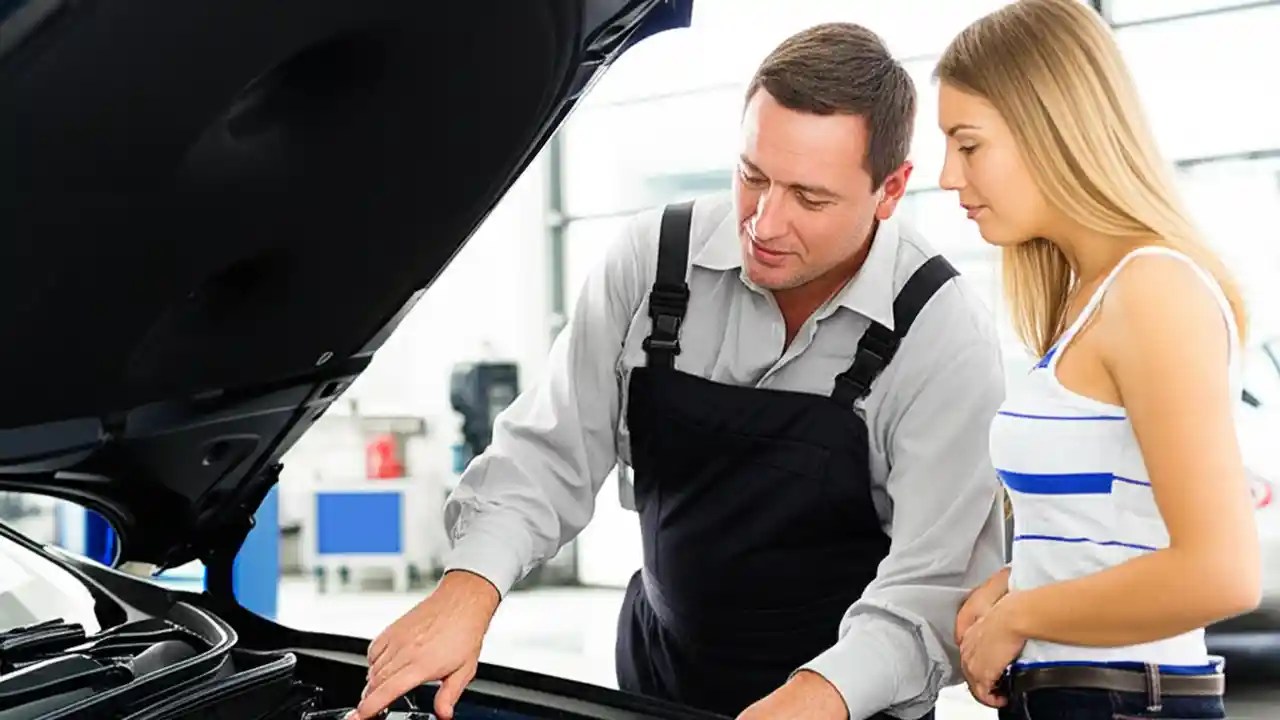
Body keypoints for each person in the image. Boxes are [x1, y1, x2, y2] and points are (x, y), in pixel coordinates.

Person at [349, 23, 1008, 720]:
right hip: (658, 682)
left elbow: (933, 587)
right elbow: (549, 455)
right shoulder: (652, 263)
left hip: (849, 703)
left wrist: (815, 697)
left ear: (892, 189)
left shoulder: (942, 334)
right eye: (753, 176)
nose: (765, 222)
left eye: (810, 198)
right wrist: (468, 588)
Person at [932, 1, 1262, 719]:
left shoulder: (1154, 292)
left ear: (1051, 128)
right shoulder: (1088, 300)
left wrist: (1023, 615)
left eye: (968, 144)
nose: (948, 176)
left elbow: (1222, 573)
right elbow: (1123, 532)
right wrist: (1016, 585)